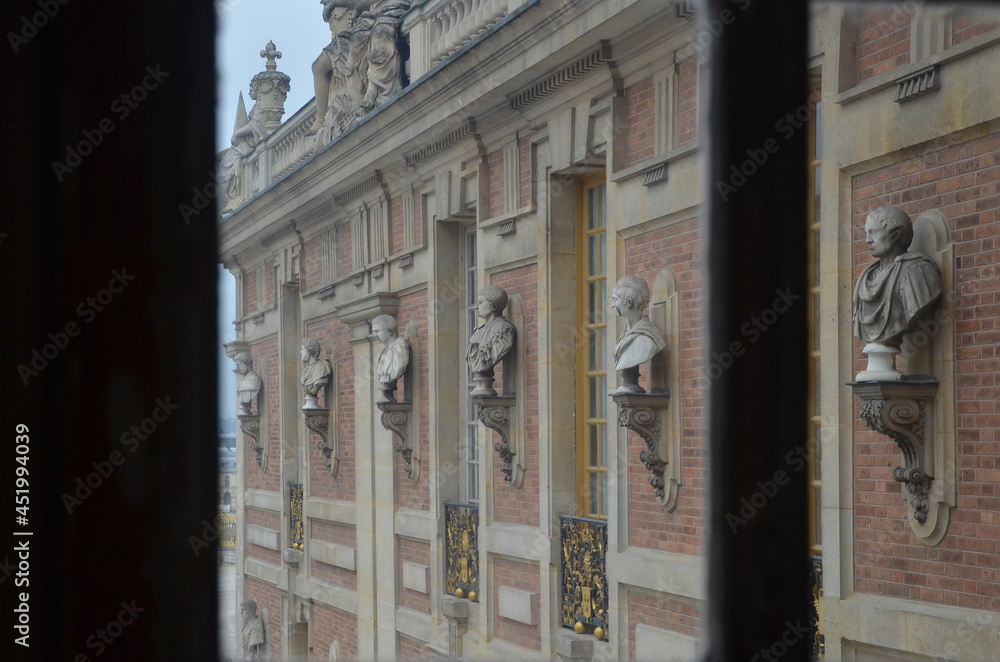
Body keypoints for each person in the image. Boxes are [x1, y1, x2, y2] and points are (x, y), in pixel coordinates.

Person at [853, 206, 942, 346]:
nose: (867, 240)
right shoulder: (867, 277)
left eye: (873, 232)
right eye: (867, 233)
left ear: (894, 235)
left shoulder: (916, 271)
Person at [611, 275, 666, 393]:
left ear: (628, 302)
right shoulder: (624, 335)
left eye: (615, 300)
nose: (612, 305)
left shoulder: (646, 338)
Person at [467, 286, 516, 396]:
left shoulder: (504, 330)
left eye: (480, 303)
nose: (477, 307)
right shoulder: (478, 331)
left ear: (493, 306)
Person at [373, 314, 409, 401]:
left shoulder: (399, 346)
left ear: (389, 331)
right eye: (374, 332)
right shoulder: (385, 351)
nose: (374, 335)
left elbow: (397, 368)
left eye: (377, 331)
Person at [300, 338, 332, 408]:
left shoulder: (323, 366)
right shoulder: (305, 371)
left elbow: (318, 383)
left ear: (309, 351)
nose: (300, 352)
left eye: (302, 349)